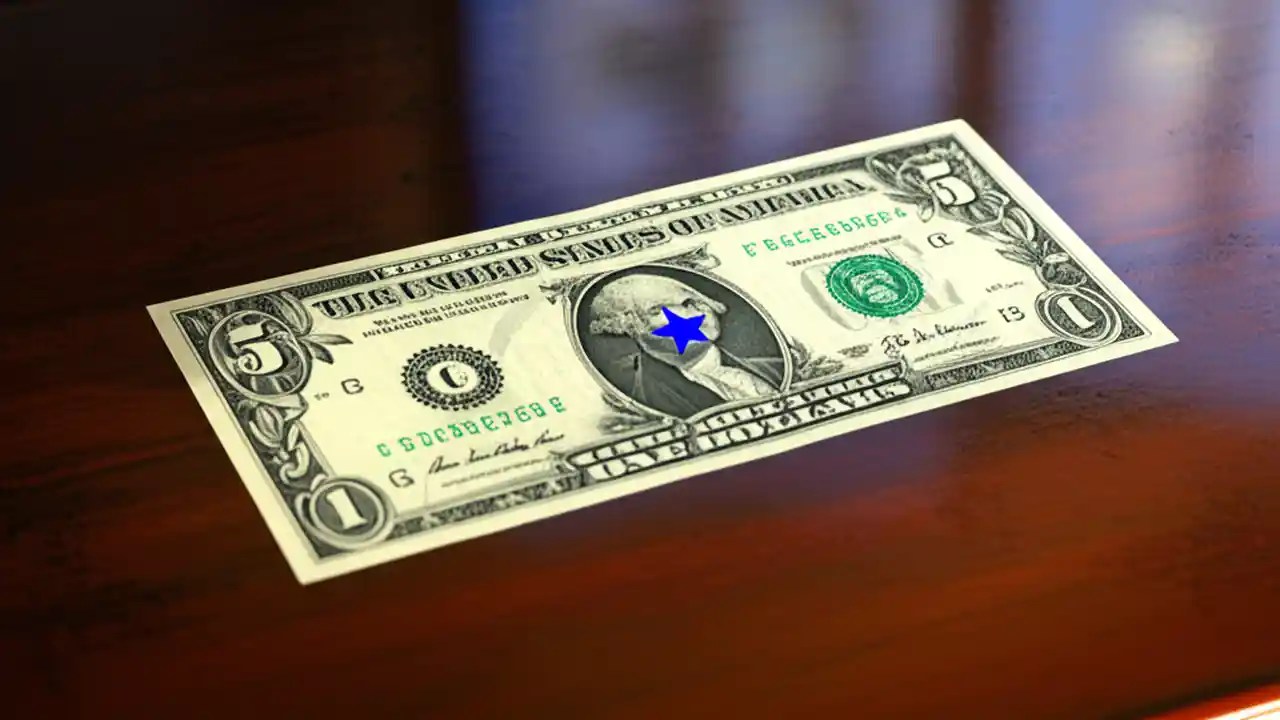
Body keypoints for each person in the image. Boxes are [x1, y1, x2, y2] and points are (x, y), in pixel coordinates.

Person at [586, 273, 784, 418]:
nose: (700, 309)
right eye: (657, 309)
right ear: (629, 326)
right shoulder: (650, 400)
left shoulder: (773, 368)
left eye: (692, 300)